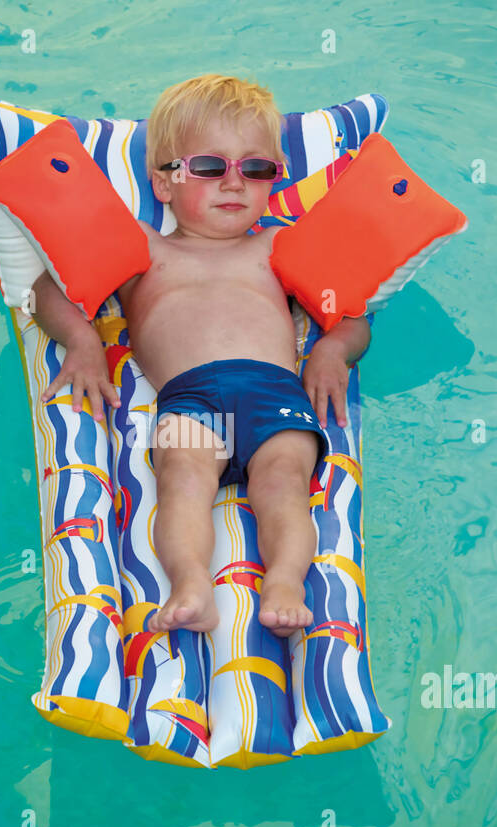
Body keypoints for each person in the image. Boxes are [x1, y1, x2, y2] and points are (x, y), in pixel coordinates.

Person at [29, 74, 371, 638]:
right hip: (190, 400)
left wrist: (333, 350)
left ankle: (285, 579)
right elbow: (50, 288)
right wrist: (84, 342)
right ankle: (192, 583)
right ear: (164, 182)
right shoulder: (142, 246)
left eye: (256, 169)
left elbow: (351, 311)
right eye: (211, 167)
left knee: (285, 483)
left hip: (275, 396)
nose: (234, 184)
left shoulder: (279, 246)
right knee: (181, 479)